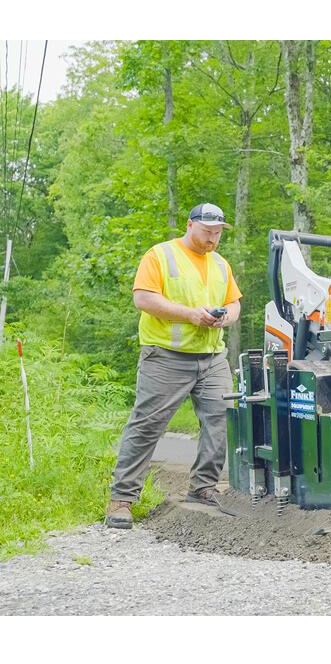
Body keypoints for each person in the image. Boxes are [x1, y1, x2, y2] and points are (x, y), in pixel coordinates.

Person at [105, 204, 242, 529]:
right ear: (190, 225)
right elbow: (143, 298)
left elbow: (234, 301)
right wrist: (190, 314)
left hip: (212, 357)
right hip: (166, 357)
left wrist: (229, 316)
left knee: (221, 420)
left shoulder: (221, 264)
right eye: (208, 232)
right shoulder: (160, 256)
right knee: (148, 424)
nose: (213, 238)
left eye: (218, 232)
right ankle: (121, 499)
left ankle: (203, 488)